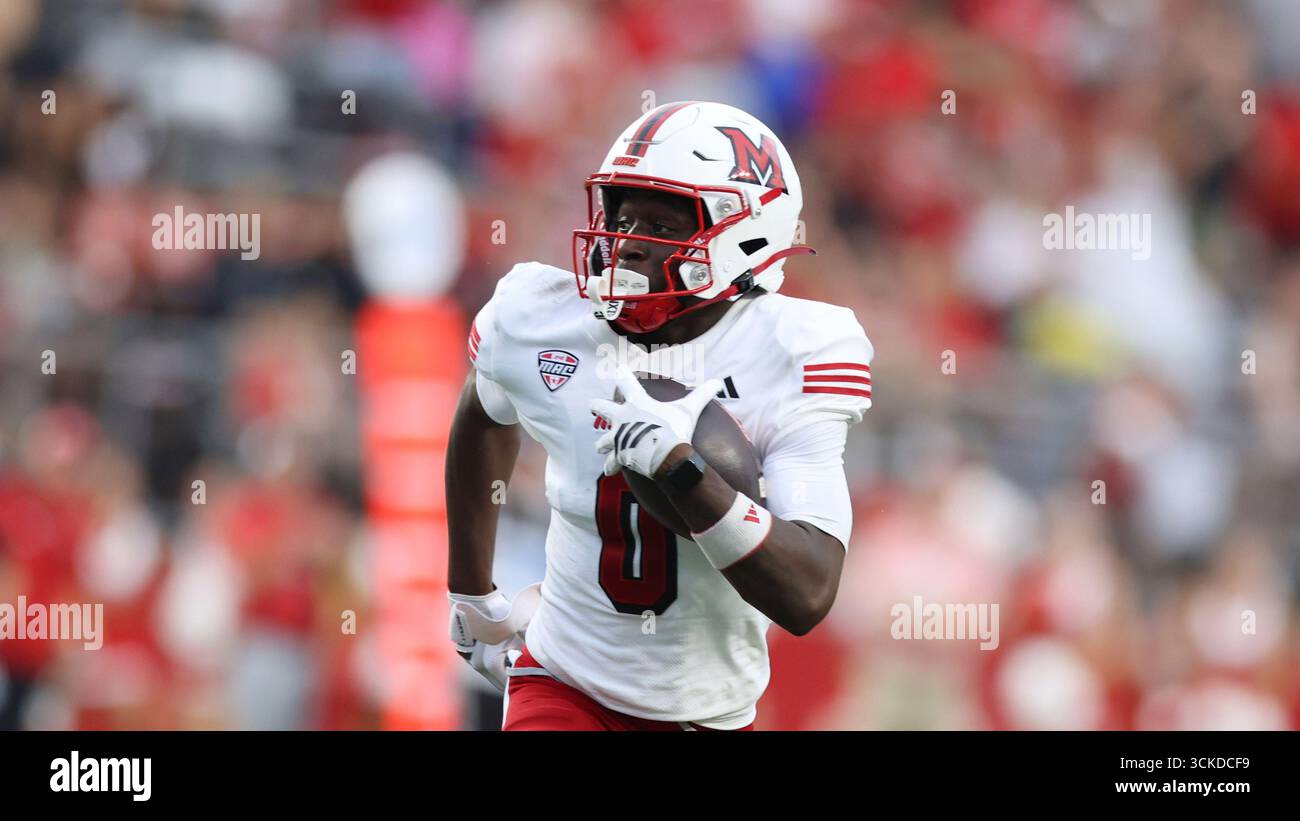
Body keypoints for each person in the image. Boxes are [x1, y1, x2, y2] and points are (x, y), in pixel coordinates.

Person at [445, 101, 874, 730]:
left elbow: (808, 591)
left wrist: (681, 472)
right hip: (564, 681)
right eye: (623, 216)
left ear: (746, 233)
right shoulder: (540, 317)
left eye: (663, 224)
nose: (626, 244)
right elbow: (483, 413)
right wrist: (471, 592)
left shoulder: (795, 351)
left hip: (709, 713)